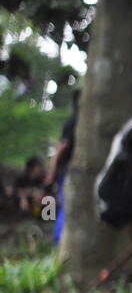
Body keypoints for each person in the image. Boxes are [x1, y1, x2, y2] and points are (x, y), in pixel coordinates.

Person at [47, 89, 78, 242]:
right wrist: (52, 172)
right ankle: (58, 241)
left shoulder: (79, 120)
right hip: (66, 172)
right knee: (66, 204)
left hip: (71, 172)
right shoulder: (74, 121)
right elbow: (62, 148)